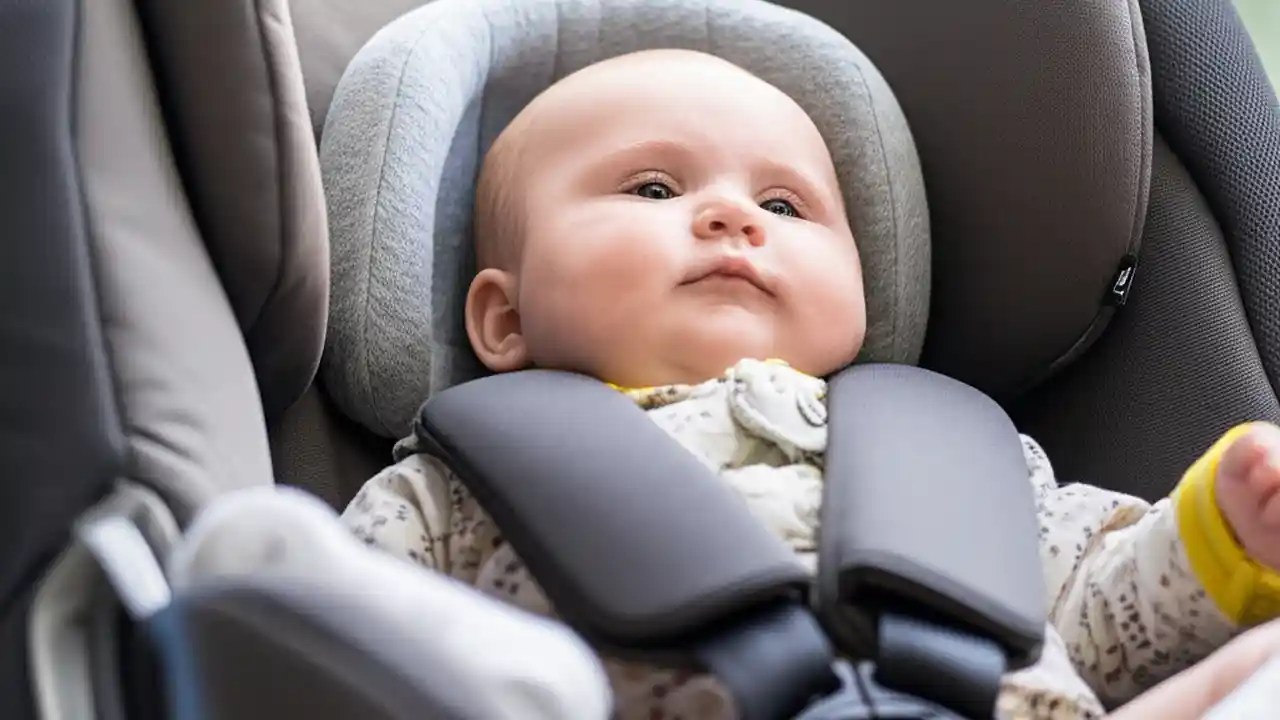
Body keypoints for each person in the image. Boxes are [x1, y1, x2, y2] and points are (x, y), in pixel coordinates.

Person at [340, 48, 1280, 718]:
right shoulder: (455, 489)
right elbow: (355, 637)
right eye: (654, 190)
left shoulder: (955, 456)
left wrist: (1226, 534)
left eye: (783, 204)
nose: (732, 217)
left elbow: (1103, 617)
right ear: (505, 320)